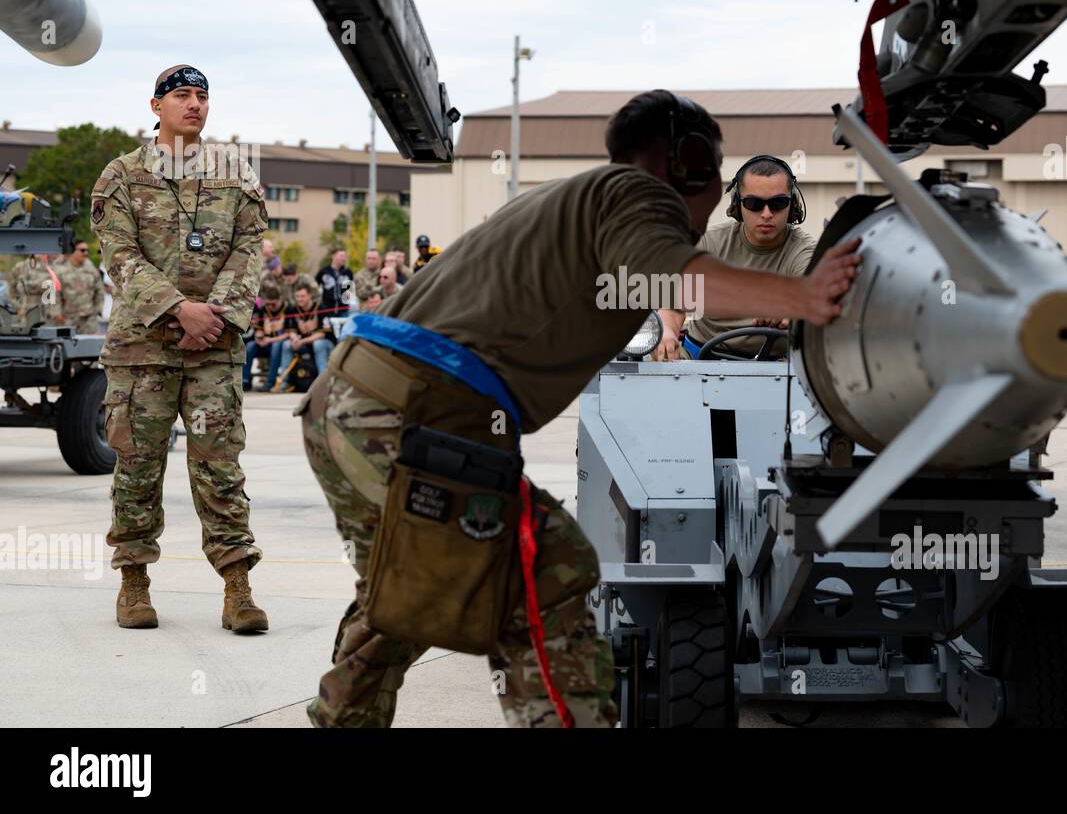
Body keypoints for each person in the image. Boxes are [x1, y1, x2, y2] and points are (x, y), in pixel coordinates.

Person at [297, 89, 861, 728]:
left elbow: (653, 279)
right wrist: (806, 297)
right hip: (415, 410)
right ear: (692, 164)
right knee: (551, 574)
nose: (729, 208)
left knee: (417, 583)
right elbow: (679, 273)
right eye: (723, 184)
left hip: (361, 402)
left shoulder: (580, 200)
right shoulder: (638, 198)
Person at [90, 63, 269, 634]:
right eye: (182, 95)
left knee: (220, 466)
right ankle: (134, 584)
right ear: (155, 106)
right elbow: (118, 254)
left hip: (213, 346)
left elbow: (250, 250)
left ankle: (238, 590)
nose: (194, 104)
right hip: (143, 349)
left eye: (202, 96)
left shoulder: (235, 174)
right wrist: (178, 310)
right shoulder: (121, 175)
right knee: (138, 466)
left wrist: (210, 317)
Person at [655, 154, 816, 359]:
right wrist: (667, 331)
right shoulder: (708, 245)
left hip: (778, 370)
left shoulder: (804, 252)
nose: (766, 213)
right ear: (738, 204)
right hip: (699, 360)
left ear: (791, 204)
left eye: (777, 203)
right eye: (754, 203)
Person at [278, 284, 333, 384]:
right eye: (297, 296)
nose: (299, 299)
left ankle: (323, 383)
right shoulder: (293, 309)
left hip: (325, 343)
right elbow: (291, 331)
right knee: (287, 344)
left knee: (318, 344)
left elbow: (323, 334)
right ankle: (283, 382)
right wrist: (295, 339)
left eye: (302, 296)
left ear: (310, 296)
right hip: (304, 344)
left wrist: (301, 341)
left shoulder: (321, 308)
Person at [244, 285, 291, 391]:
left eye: (273, 304)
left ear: (280, 299)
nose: (270, 307)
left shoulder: (288, 309)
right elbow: (258, 329)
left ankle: (270, 382)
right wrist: (258, 338)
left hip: (278, 344)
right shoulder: (263, 310)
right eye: (268, 304)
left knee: (276, 345)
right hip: (265, 343)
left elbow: (289, 334)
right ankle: (245, 380)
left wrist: (270, 340)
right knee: (250, 345)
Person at [54, 240, 106, 334]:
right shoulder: (60, 271)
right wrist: (57, 313)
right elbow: (55, 293)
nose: (86, 253)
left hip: (89, 320)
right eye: (82, 250)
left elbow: (100, 291)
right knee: (68, 346)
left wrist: (98, 310)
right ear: (73, 251)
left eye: (87, 250)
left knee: (91, 346)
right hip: (68, 319)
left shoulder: (92, 271)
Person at [316, 248, 354, 319]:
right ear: (333, 256)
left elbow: (350, 292)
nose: (343, 258)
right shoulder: (324, 271)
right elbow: (315, 286)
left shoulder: (348, 272)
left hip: (343, 310)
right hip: (327, 309)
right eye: (341, 256)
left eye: (345, 256)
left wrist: (347, 302)